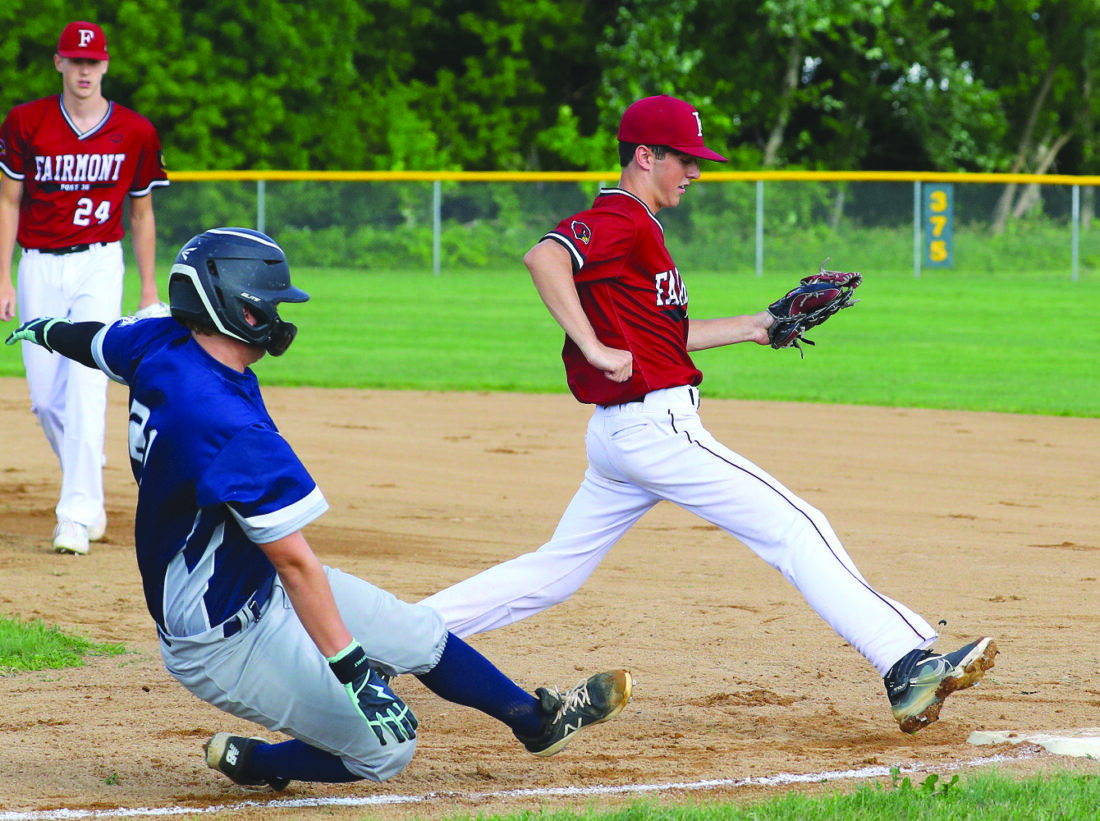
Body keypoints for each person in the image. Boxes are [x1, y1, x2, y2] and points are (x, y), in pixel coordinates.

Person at [420, 95, 998, 735]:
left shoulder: (644, 232)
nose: (694, 172)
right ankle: (905, 664)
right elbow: (545, 256)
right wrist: (588, 343)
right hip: (655, 430)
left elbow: (666, 336)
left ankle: (388, 634)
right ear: (645, 156)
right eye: (685, 159)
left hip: (621, 437)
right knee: (796, 527)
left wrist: (756, 326)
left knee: (552, 573)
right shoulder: (623, 217)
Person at [4, 227, 633, 788]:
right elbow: (296, 565)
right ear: (234, 311)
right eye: (268, 304)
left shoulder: (164, 343)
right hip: (221, 638)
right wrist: (356, 673)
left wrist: (44, 331)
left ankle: (534, 720)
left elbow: (97, 341)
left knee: (419, 635)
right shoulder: (226, 426)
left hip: (248, 582)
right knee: (390, 748)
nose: (277, 315)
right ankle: (256, 762)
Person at [0, 20, 170, 555]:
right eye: (75, 60)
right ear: (59, 63)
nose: (84, 70)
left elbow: (140, 214)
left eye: (92, 61)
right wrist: (1, 274)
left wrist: (148, 292)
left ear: (105, 65)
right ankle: (86, 469)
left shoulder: (135, 131)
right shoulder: (26, 123)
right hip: (39, 264)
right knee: (47, 401)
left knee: (87, 385)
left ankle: (74, 516)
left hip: (100, 261)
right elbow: (8, 201)